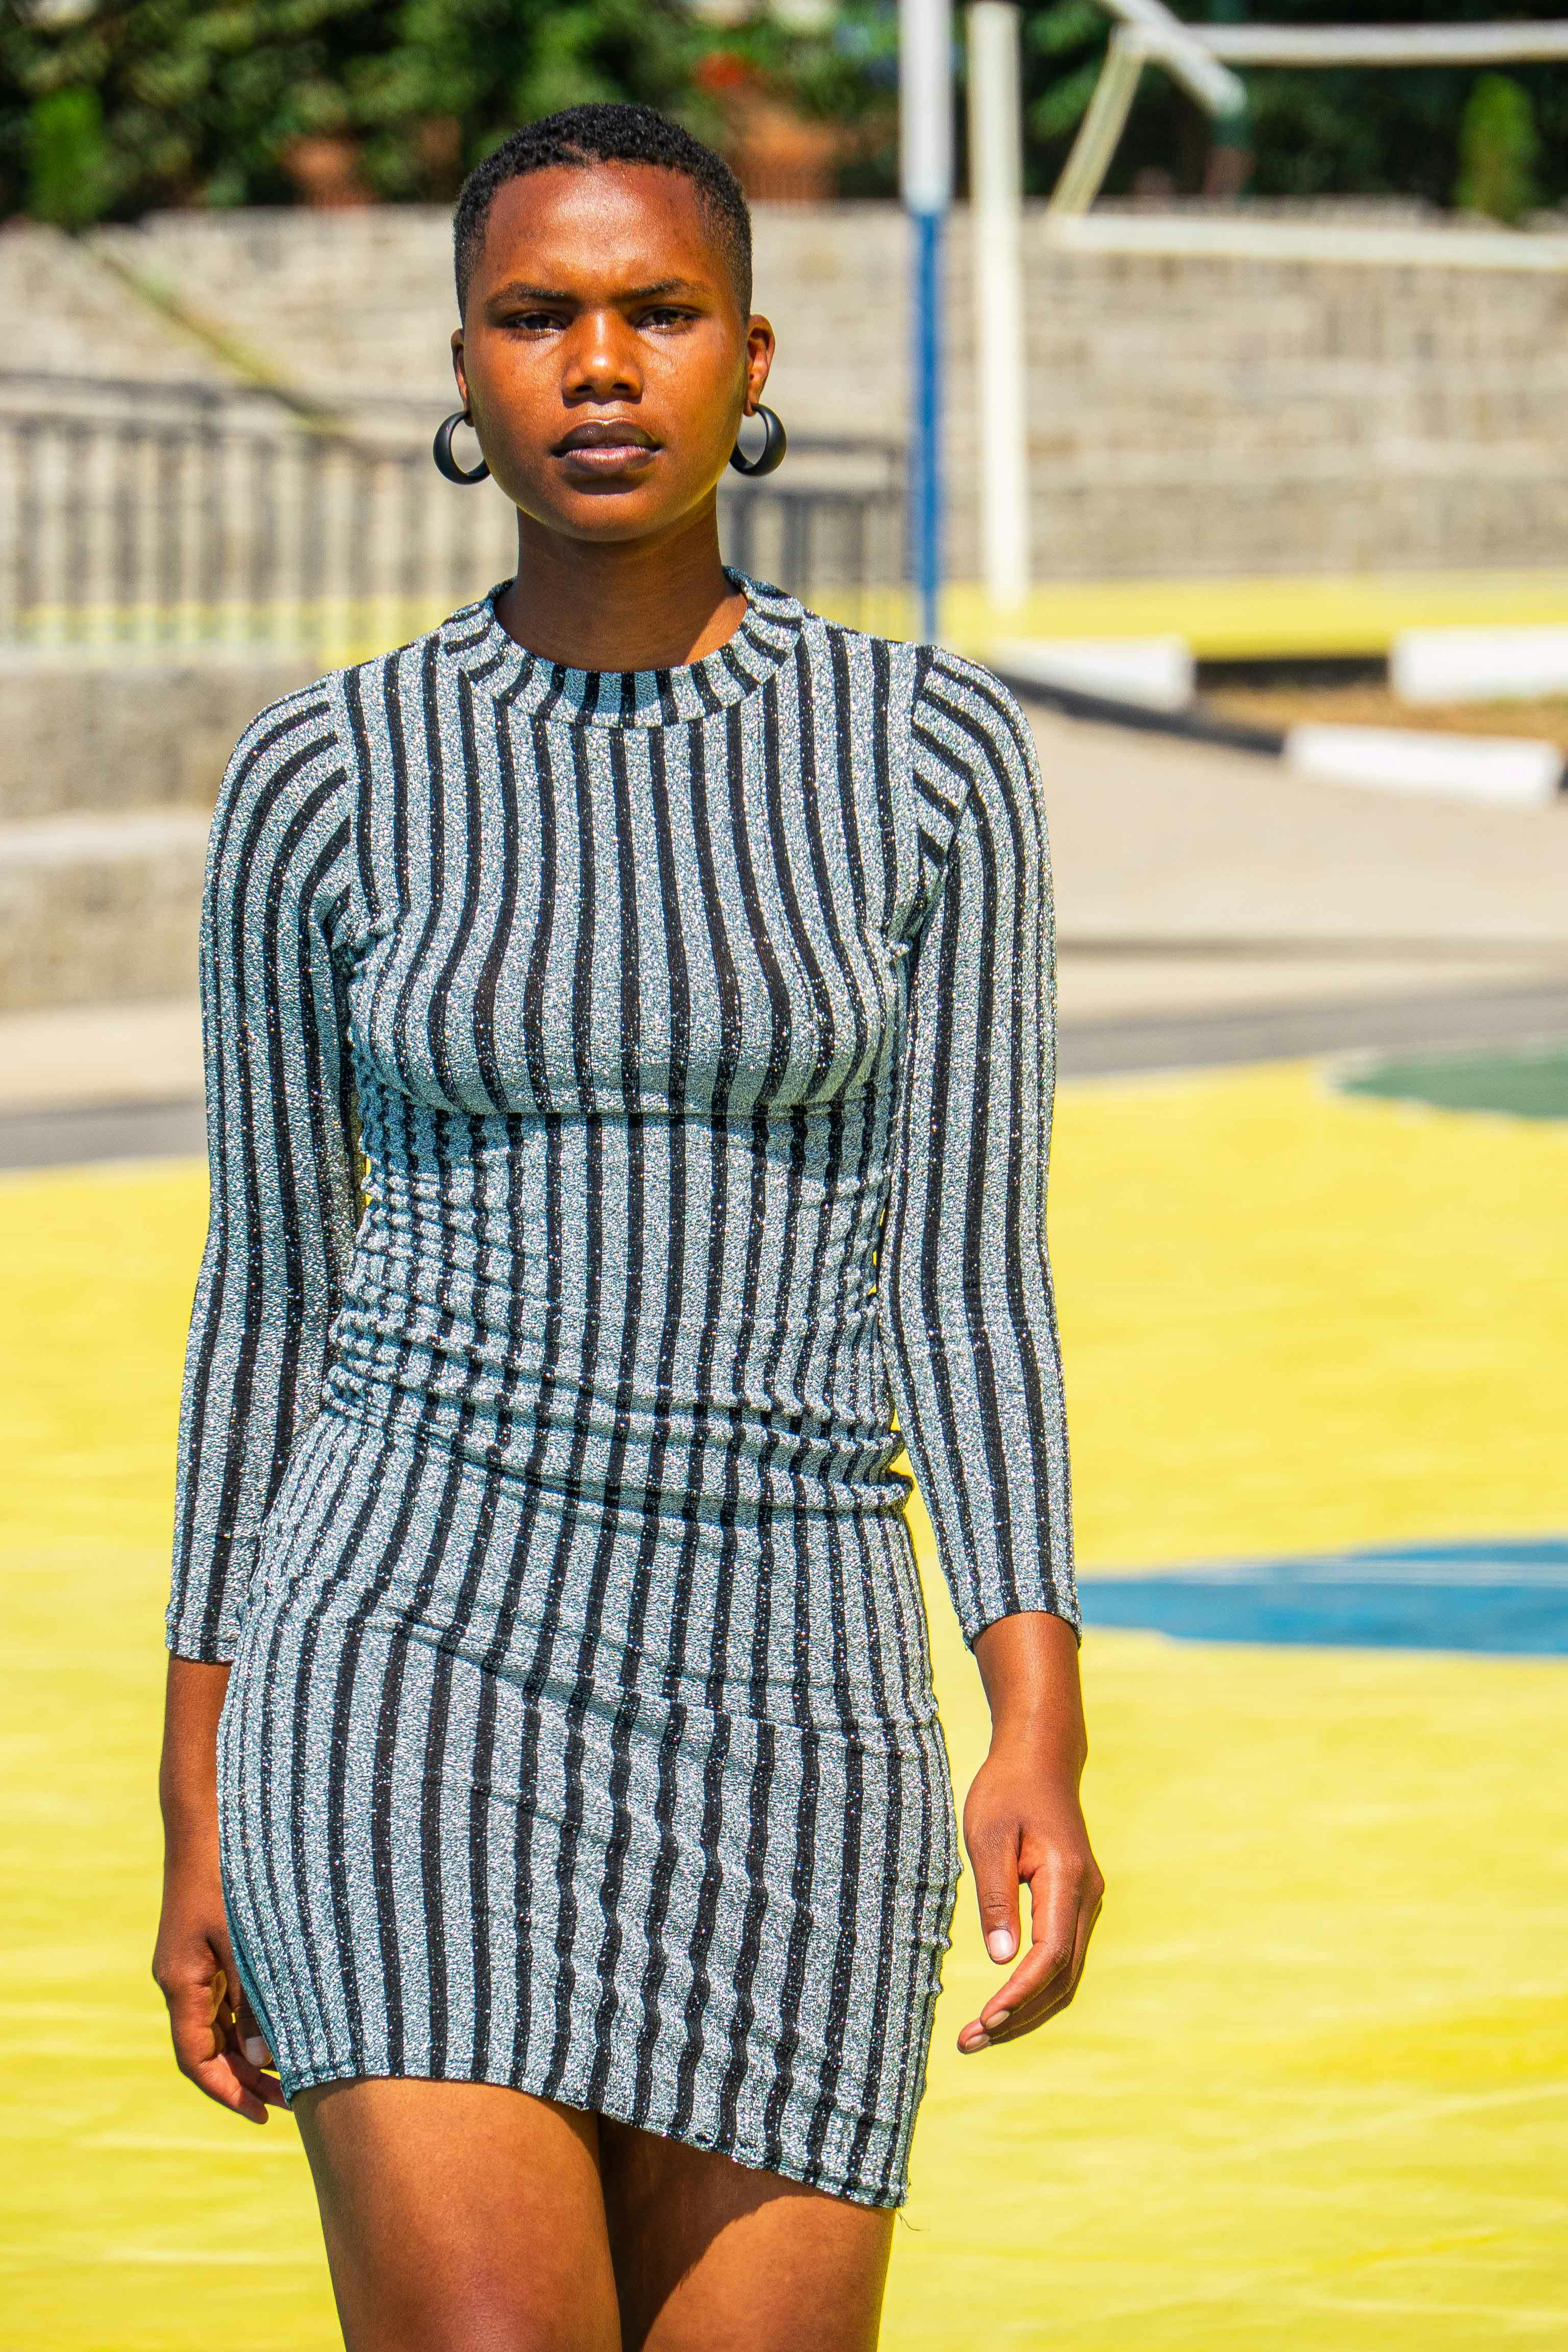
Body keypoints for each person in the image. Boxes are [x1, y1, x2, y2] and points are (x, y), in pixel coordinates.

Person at [152, 102, 1102, 2352]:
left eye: (657, 312)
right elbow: (265, 1299)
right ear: (464, 367)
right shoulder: (329, 778)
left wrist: (1033, 1722)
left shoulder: (930, 762)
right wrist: (196, 1803)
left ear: (748, 355)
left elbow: (969, 1274)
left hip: (796, 1697)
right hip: (404, 1667)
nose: (600, 365)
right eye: (537, 316)